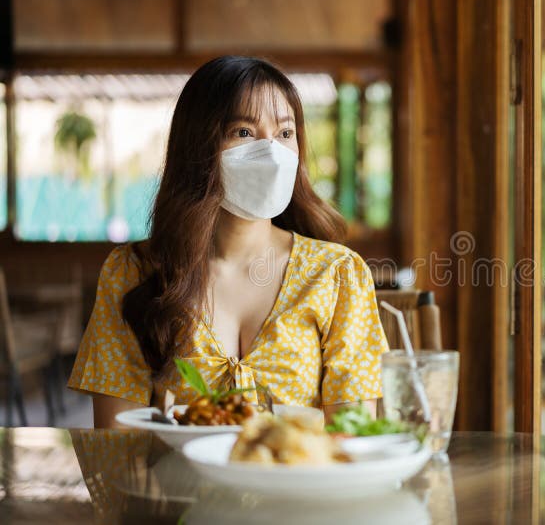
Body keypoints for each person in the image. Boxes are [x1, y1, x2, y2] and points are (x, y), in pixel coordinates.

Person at [68, 56, 389, 428]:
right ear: (198, 147)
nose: (271, 152)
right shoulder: (132, 271)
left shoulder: (337, 274)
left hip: (301, 482)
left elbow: (352, 437)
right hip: (175, 486)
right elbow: (115, 443)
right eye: (244, 132)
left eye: (285, 133)